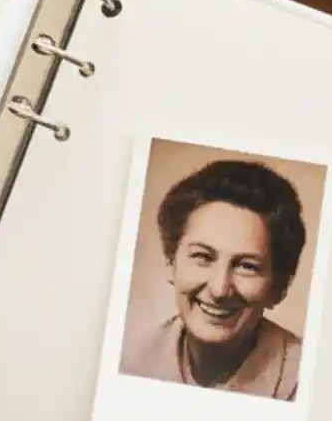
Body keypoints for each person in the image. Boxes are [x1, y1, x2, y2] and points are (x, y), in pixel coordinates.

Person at [123, 160, 307, 402]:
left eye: (247, 266)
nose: (220, 289)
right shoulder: (131, 360)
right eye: (202, 257)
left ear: (279, 287)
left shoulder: (306, 381)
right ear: (171, 263)